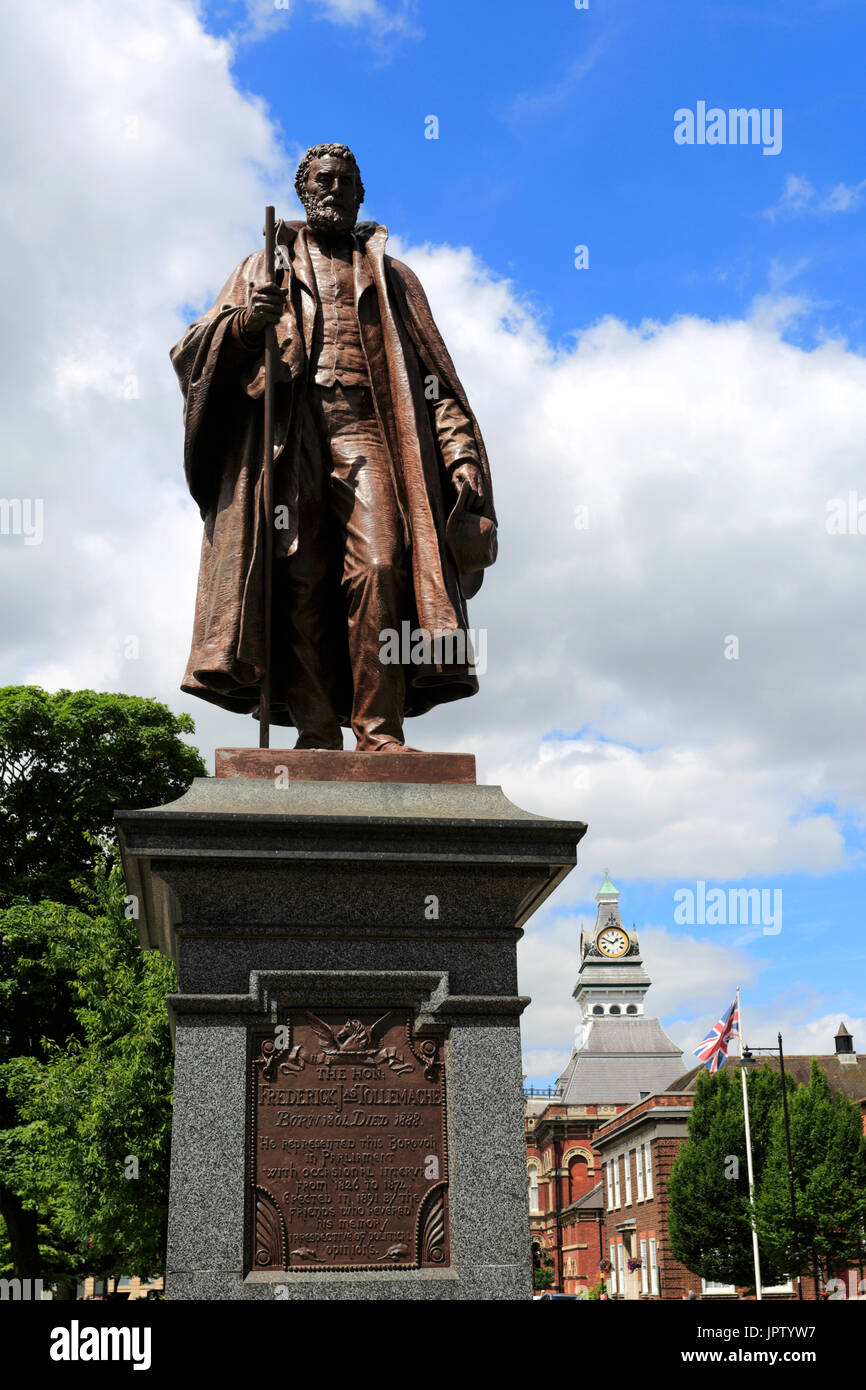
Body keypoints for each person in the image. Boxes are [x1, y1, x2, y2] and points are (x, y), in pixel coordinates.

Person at [171, 143, 497, 750]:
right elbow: (191, 351)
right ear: (304, 190)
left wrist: (461, 457)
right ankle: (317, 734)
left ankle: (379, 732)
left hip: (371, 433)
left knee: (380, 565)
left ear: (361, 194)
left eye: (348, 181)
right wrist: (246, 324)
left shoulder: (393, 277)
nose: (336, 189)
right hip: (290, 431)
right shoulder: (263, 266)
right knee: (299, 575)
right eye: (325, 179)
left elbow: (439, 385)